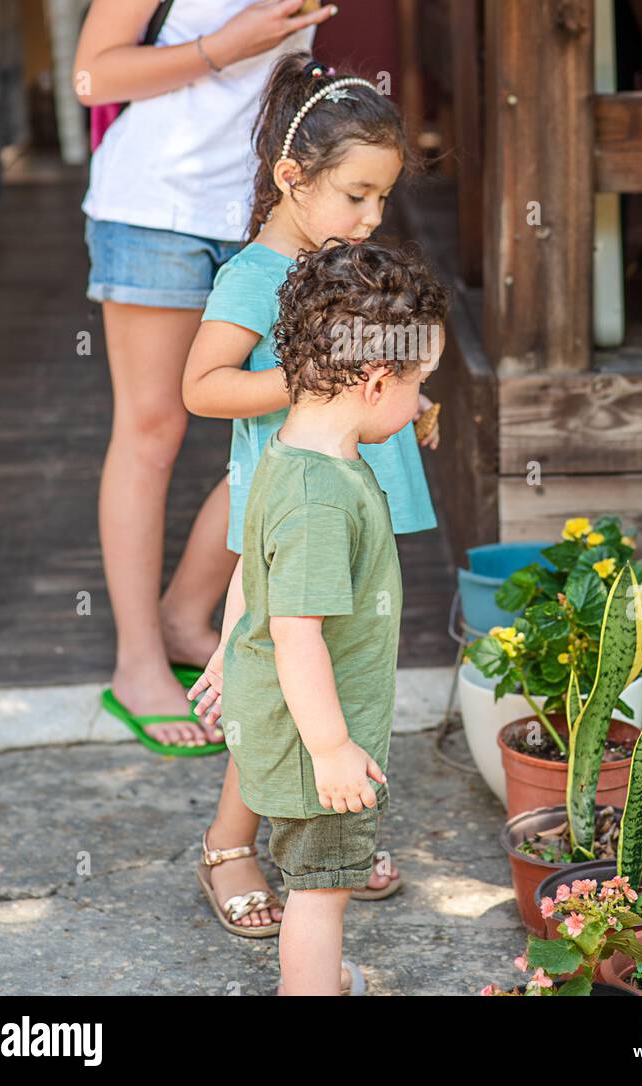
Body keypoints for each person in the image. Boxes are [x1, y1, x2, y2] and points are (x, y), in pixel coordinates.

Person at [74, 0, 530, 754]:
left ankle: (194, 614)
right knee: (151, 431)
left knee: (276, 422)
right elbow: (96, 67)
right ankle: (138, 656)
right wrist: (227, 45)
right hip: (149, 210)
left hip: (264, 227)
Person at [183, 51, 440, 932]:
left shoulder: (343, 266)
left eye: (382, 198)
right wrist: (315, 380)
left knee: (347, 672)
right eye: (355, 195)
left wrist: (413, 399)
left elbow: (380, 363)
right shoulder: (255, 277)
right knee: (275, 687)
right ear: (292, 178)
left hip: (352, 495)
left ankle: (328, 837)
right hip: (291, 510)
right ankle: (229, 844)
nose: (371, 217)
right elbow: (203, 387)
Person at [219, 237, 448, 994]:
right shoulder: (321, 501)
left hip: (285, 721)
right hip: (315, 736)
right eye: (418, 384)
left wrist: (227, 649)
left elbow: (255, 574)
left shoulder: (288, 454)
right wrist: (332, 750)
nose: (422, 403)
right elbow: (296, 631)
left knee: (314, 878)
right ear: (377, 379)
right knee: (320, 891)